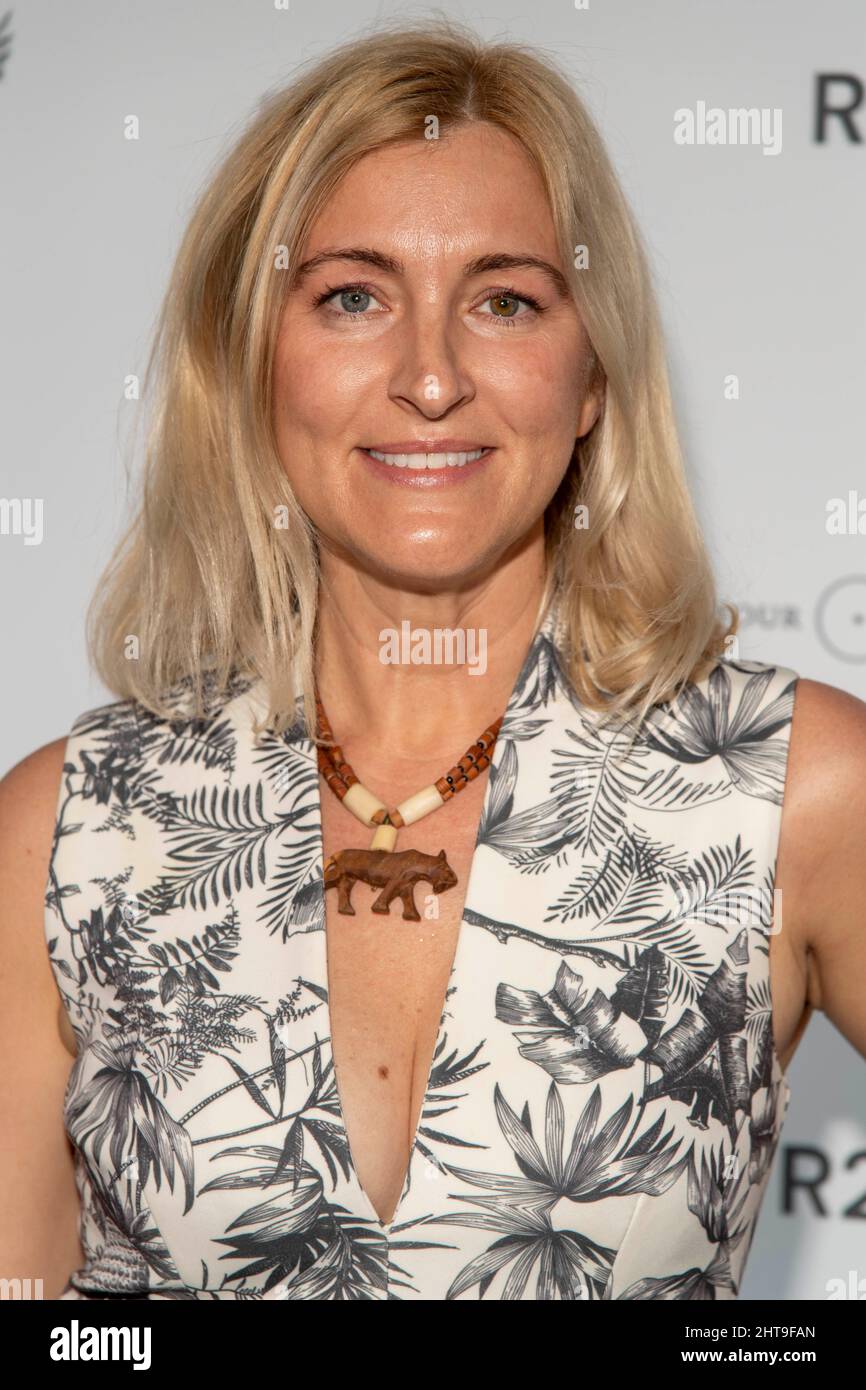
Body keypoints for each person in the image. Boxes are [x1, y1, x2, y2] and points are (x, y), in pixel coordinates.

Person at [1, 19, 864, 1302]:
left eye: (504, 299)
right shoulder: (67, 830)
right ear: (250, 361)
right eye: (352, 295)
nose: (428, 376)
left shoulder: (794, 789)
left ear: (589, 379)